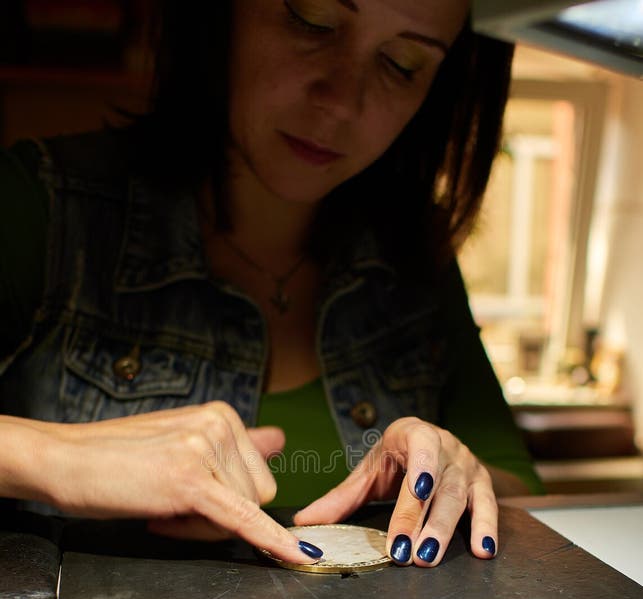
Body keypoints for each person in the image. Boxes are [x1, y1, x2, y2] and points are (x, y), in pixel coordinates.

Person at [0, 0, 542, 569]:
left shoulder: (412, 254)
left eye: (402, 64)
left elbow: (521, 492)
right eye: (312, 21)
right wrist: (62, 458)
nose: (341, 102)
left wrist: (455, 476)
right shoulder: (41, 209)